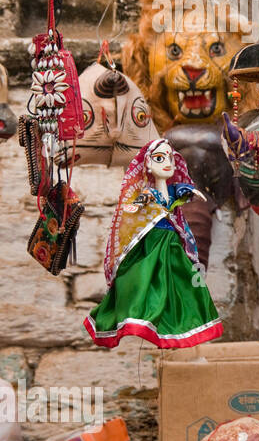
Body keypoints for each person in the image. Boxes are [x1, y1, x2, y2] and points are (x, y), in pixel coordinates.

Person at [85, 139, 222, 348]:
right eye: (159, 158)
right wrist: (136, 205)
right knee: (146, 279)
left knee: (182, 280)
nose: (166, 163)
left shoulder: (175, 190)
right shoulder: (150, 193)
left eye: (169, 158)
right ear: (148, 164)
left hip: (172, 242)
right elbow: (132, 207)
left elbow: (186, 192)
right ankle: (140, 318)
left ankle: (181, 320)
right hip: (152, 243)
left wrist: (192, 191)